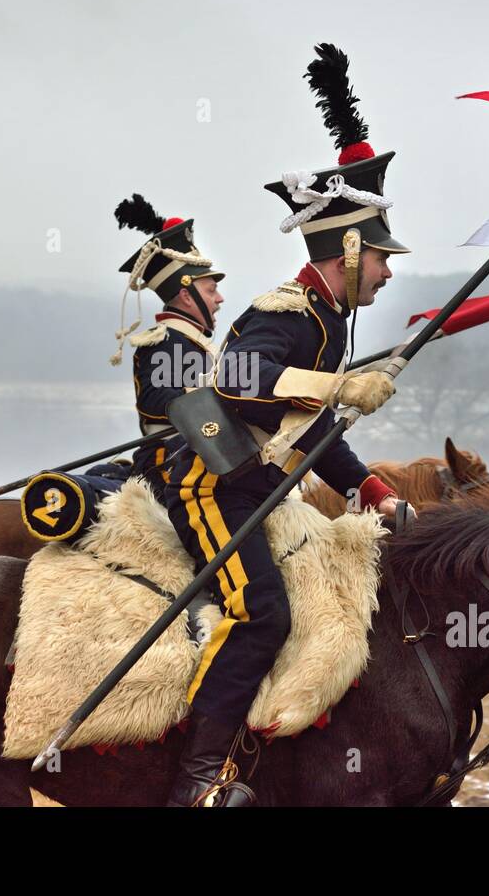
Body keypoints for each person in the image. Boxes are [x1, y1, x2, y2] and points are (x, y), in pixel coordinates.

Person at [162, 44, 409, 805]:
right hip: (210, 482)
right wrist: (338, 384)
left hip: (263, 483)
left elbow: (308, 428)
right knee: (263, 611)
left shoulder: (330, 319)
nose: (390, 271)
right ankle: (199, 778)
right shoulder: (284, 313)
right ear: (347, 248)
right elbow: (232, 382)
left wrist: (369, 485)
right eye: (381, 258)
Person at [106, 194, 226, 502]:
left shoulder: (194, 343)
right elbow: (157, 400)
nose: (219, 298)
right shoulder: (165, 341)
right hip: (169, 472)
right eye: (211, 290)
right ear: (187, 297)